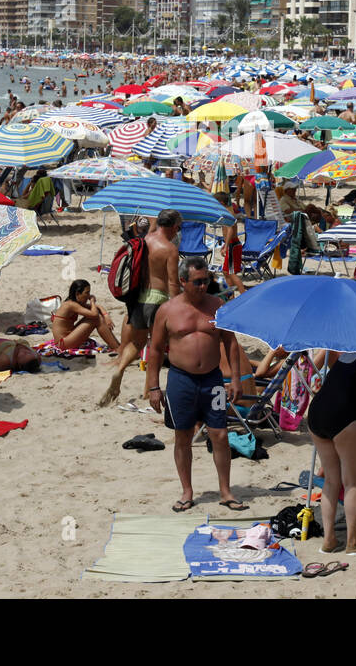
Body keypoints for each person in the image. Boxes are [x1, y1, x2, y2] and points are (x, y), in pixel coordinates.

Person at [146, 257, 246, 513]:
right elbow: (155, 349)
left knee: (220, 434)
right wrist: (154, 386)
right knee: (183, 436)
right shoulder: (167, 310)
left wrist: (234, 379)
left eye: (207, 281)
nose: (203, 286)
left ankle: (225, 491)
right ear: (183, 281)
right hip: (181, 380)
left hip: (213, 380)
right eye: (198, 282)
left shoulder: (218, 306)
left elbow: (230, 343)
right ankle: (187, 491)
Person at [99, 209, 182, 407]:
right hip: (158, 299)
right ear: (172, 227)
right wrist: (179, 305)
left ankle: (120, 369)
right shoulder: (170, 249)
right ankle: (148, 391)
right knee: (156, 346)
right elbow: (172, 283)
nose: (178, 231)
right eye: (178, 227)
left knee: (137, 344)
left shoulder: (144, 241)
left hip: (138, 298)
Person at [307, 350, 356, 553]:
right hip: (347, 414)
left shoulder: (348, 353)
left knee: (331, 480)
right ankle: (352, 541)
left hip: (318, 412)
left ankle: (329, 540)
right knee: (352, 482)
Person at [50, 279, 119, 350]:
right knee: (97, 319)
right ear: (77, 294)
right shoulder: (71, 305)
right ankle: (117, 348)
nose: (89, 296)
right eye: (87, 293)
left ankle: (117, 346)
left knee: (96, 317)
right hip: (62, 343)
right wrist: (92, 301)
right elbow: (94, 314)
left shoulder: (74, 302)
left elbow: (97, 307)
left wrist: (106, 315)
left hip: (68, 337)